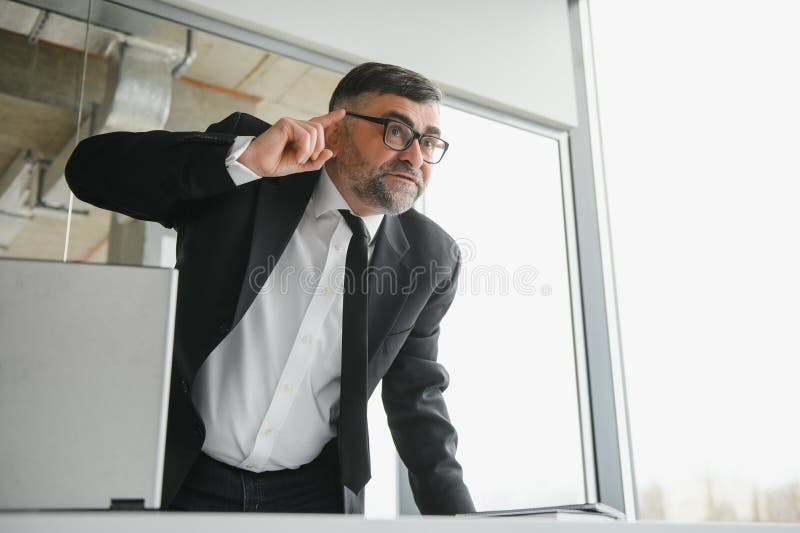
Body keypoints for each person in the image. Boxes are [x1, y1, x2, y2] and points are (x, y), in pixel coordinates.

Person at [65, 62, 474, 515]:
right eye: (397, 131)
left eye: (430, 141)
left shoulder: (431, 257)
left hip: (311, 497)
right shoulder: (252, 173)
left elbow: (417, 399)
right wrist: (240, 163)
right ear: (337, 132)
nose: (415, 157)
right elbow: (88, 171)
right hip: (180, 475)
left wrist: (462, 523)